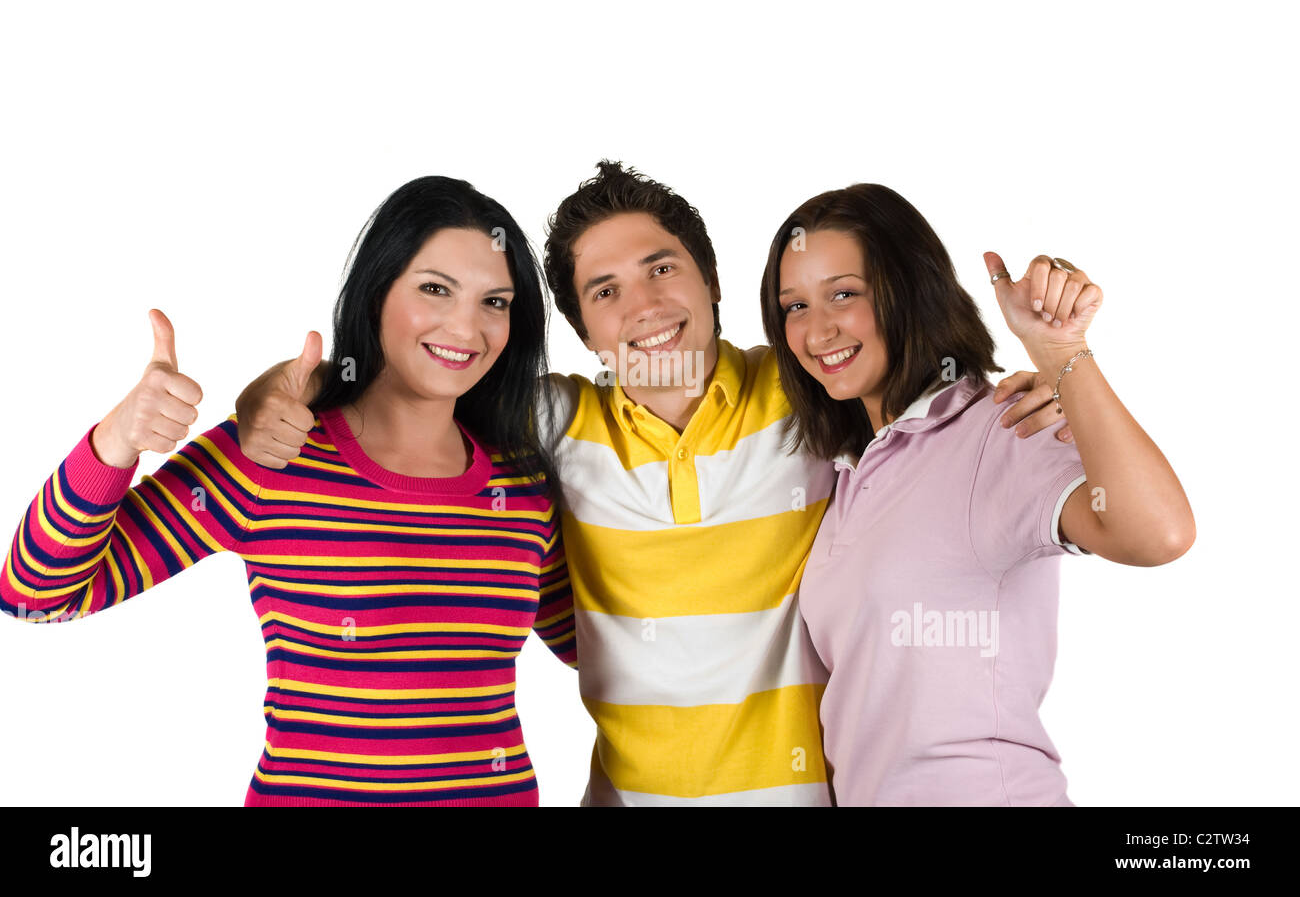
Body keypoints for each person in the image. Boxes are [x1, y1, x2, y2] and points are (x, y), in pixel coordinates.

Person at [235, 162, 1068, 806]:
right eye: (606, 291)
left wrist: (1025, 387)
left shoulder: (809, 389)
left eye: (663, 269)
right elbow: (420, 372)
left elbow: (917, 400)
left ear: (710, 280)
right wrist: (277, 388)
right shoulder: (552, 425)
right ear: (580, 328)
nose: (644, 305)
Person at [0, 176, 577, 806]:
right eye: (435, 289)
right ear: (376, 291)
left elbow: (599, 646)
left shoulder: (521, 483)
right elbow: (36, 595)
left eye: (495, 301)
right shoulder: (272, 450)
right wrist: (117, 439)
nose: (467, 327)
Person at [760, 182, 1195, 806]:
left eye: (845, 294)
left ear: (909, 290)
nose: (817, 329)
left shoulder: (998, 426)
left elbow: (1158, 534)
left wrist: (1062, 352)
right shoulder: (851, 470)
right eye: (794, 306)